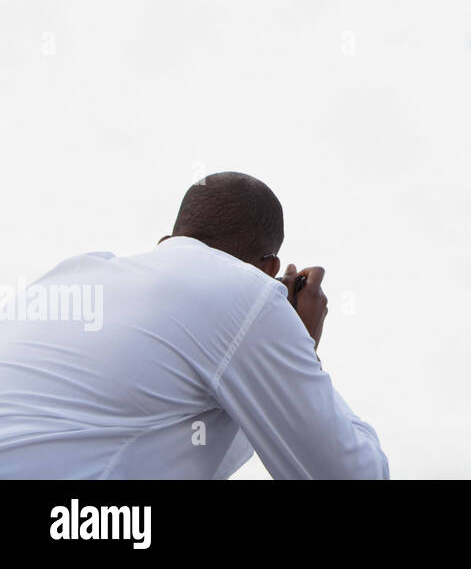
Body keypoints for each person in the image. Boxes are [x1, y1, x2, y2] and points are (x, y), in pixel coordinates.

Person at [0, 171, 389, 479]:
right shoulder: (249, 292)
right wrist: (304, 349)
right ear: (270, 269)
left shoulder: (69, 274)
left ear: (166, 241)